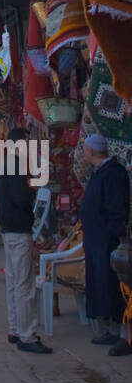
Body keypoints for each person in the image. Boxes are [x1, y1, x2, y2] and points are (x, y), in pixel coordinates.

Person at [0, 126, 52, 355]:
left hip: (8, 229)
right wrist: (32, 191)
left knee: (12, 280)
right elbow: (20, 198)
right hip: (19, 229)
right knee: (24, 284)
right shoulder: (17, 166)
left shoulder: (2, 164)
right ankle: (27, 335)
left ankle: (15, 328)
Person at [80, 133, 131, 354]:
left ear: (91, 151)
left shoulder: (113, 174)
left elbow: (116, 210)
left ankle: (123, 335)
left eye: (84, 149)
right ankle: (112, 330)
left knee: (114, 287)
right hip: (96, 241)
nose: (83, 152)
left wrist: (108, 234)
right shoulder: (100, 172)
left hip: (107, 242)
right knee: (103, 286)